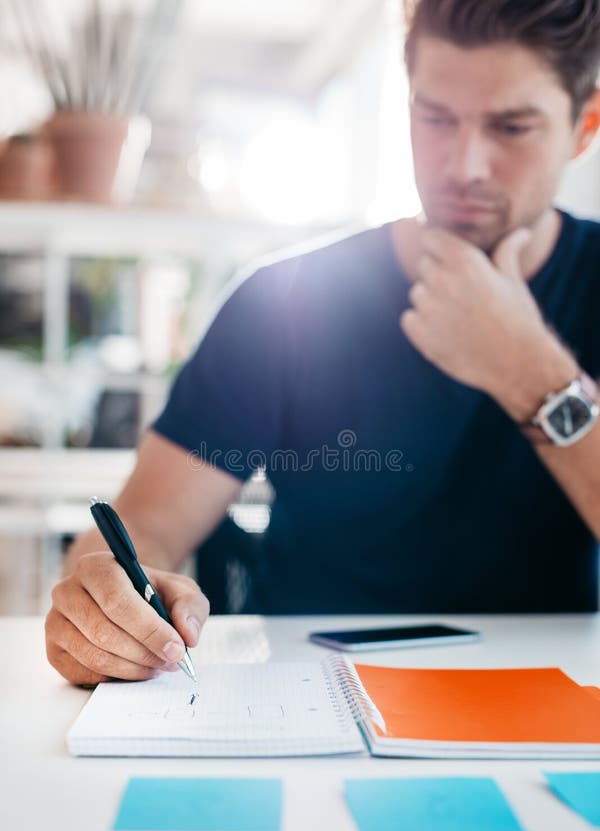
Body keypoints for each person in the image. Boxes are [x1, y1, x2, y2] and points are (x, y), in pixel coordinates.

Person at [47, 0, 600, 685]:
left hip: (563, 709)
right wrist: (98, 602)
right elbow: (142, 527)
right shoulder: (283, 302)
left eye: (512, 127)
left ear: (585, 126)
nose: (466, 165)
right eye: (434, 118)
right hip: (311, 706)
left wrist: (531, 374)